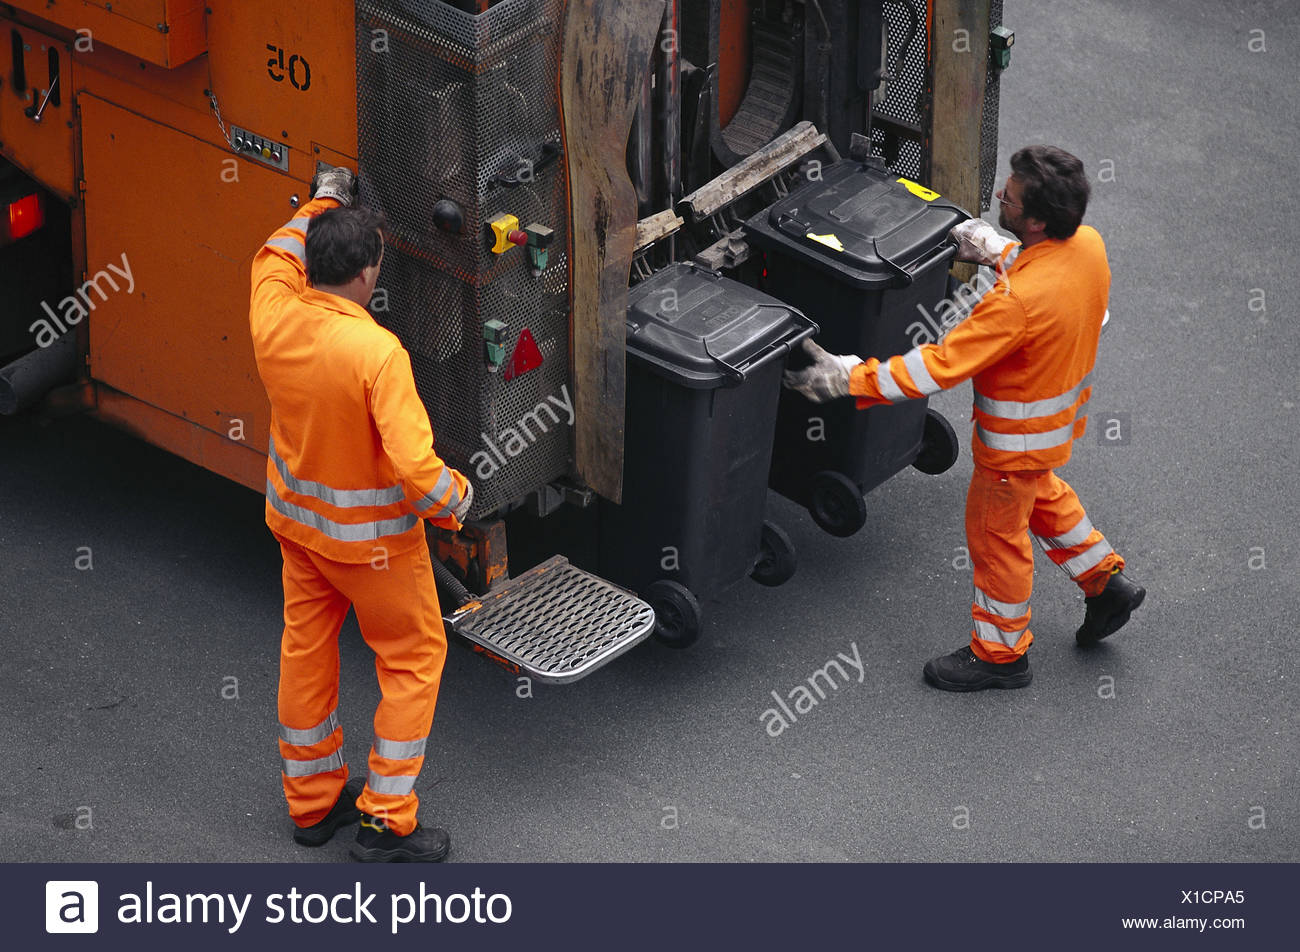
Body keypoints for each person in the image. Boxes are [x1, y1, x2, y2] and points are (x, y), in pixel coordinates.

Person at [784, 145, 1144, 692]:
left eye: (1013, 197)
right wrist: (997, 248)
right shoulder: (1087, 247)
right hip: (1051, 429)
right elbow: (1051, 276)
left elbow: (939, 368)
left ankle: (1001, 655)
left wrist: (847, 378)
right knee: (1042, 496)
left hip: (1011, 443)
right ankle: (1104, 583)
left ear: (1038, 220)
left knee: (996, 539)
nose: (1001, 194)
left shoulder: (1014, 305)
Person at [249, 166, 473, 858]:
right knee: (412, 660)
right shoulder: (378, 353)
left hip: (298, 529)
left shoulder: (273, 309)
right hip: (374, 549)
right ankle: (385, 818)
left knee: (307, 651)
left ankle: (314, 806)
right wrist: (457, 501)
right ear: (369, 273)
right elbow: (414, 468)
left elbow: (272, 250)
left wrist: (324, 195)